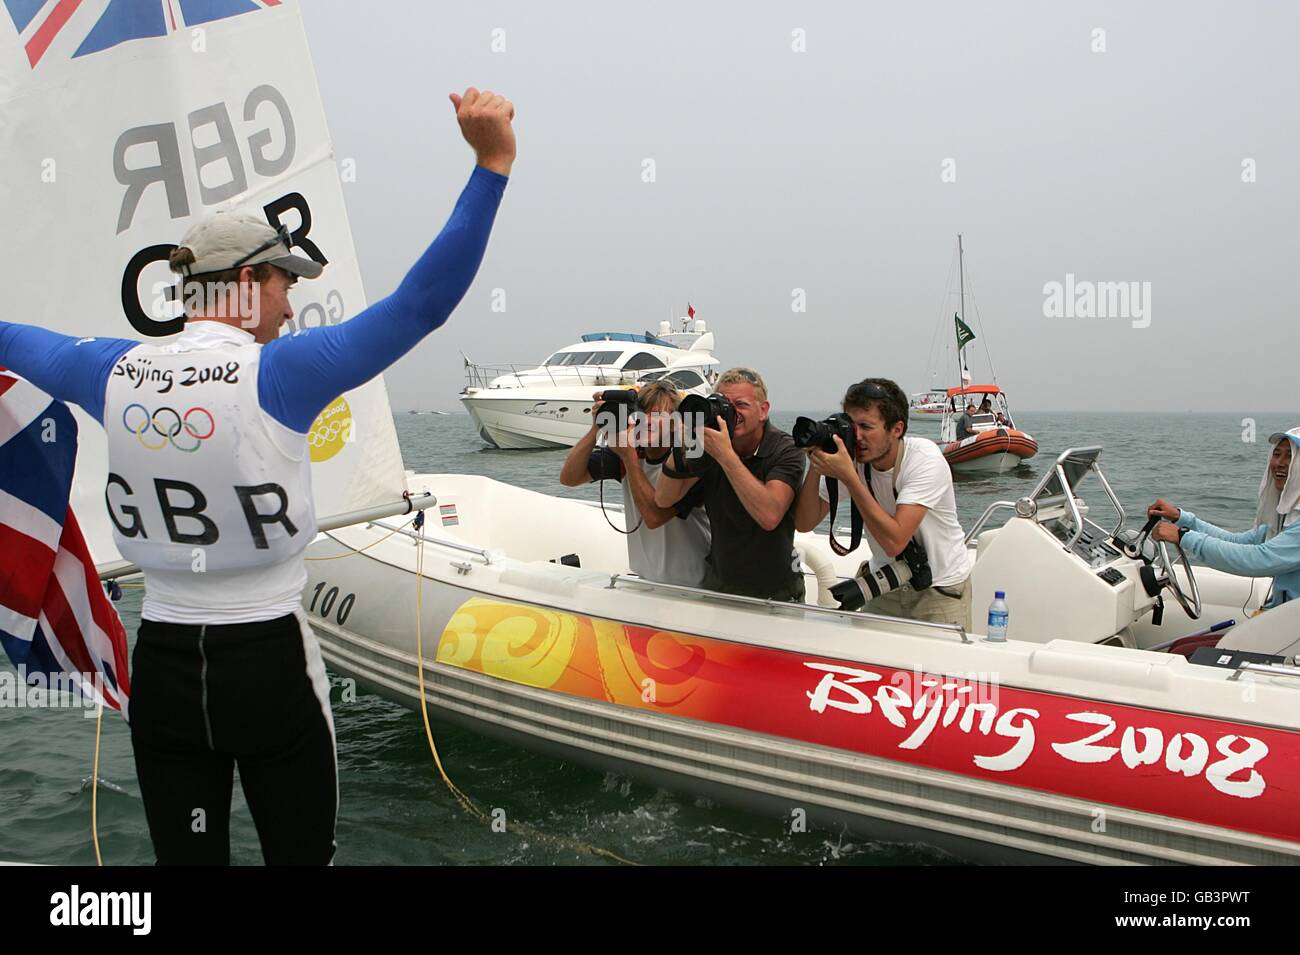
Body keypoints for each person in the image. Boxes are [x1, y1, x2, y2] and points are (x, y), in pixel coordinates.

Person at [0, 87, 516, 864]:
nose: (290, 298)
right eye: (282, 280)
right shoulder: (284, 372)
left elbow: (10, 337)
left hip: (167, 674)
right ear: (245, 281)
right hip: (269, 668)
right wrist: (491, 164)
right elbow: (422, 306)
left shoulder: (109, 369)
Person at [794, 377, 973, 628]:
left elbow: (894, 541)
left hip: (939, 589)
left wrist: (848, 476)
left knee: (934, 668)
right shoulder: (853, 460)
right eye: (851, 425)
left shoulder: (924, 459)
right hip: (886, 583)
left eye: (866, 426)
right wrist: (817, 462)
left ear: (896, 429)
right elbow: (804, 522)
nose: (857, 436)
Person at [653, 367, 806, 601]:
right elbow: (664, 498)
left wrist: (725, 455)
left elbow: (769, 515)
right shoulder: (710, 444)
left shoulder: (785, 450)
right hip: (721, 583)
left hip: (777, 589)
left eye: (741, 405)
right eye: (725, 405)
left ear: (763, 410)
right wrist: (683, 444)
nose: (732, 413)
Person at [559, 381, 710, 586]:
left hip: (694, 583)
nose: (647, 421)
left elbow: (655, 517)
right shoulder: (628, 451)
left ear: (675, 422)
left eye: (657, 415)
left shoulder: (688, 460)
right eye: (642, 413)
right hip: (646, 580)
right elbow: (569, 478)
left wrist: (629, 457)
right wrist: (598, 426)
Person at [1148, 427, 1300, 609]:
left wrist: (1183, 537)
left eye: (1290, 456)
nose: (1280, 463)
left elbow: (1258, 559)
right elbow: (1238, 541)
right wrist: (1182, 519)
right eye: (1277, 454)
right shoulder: (1287, 518)